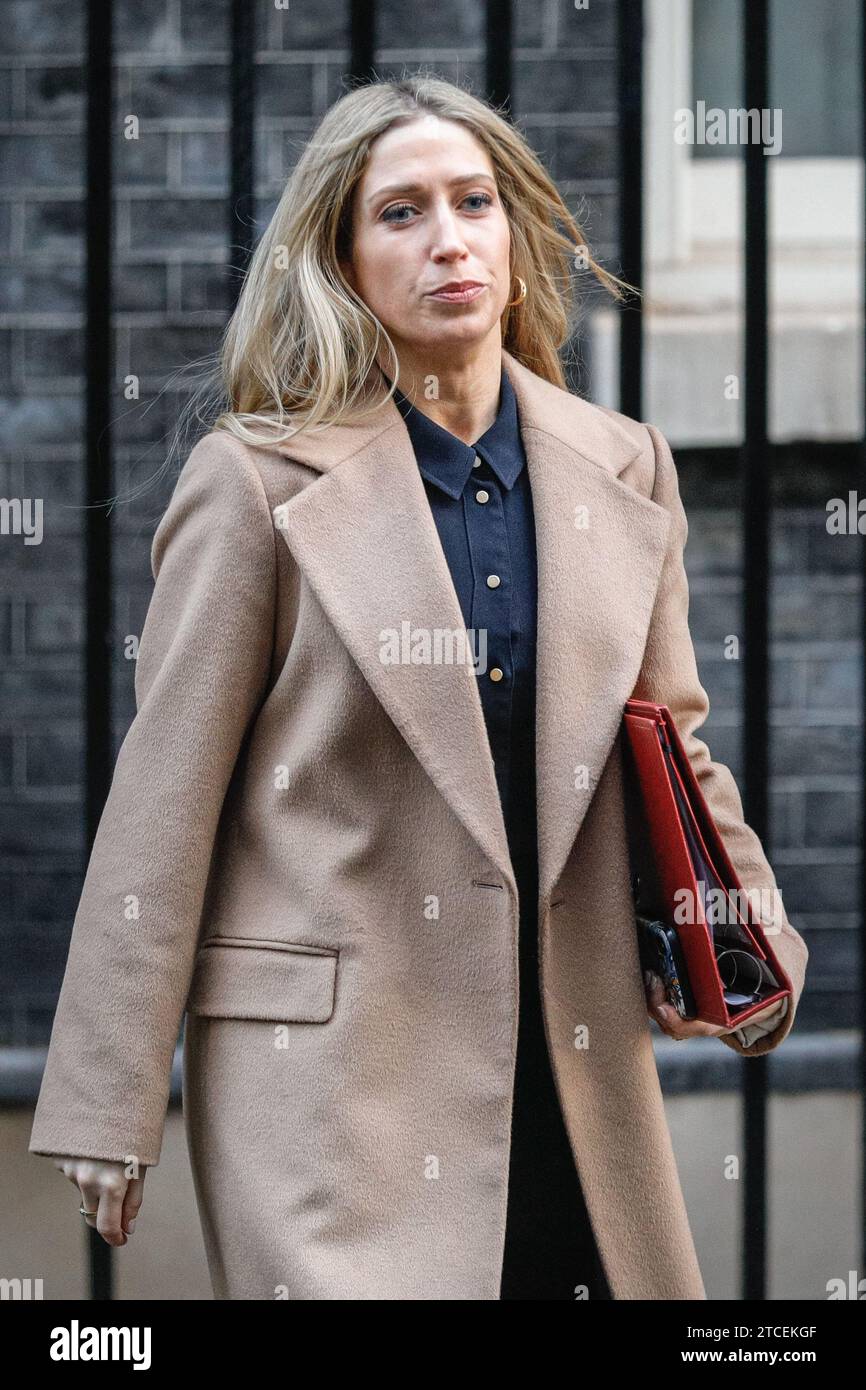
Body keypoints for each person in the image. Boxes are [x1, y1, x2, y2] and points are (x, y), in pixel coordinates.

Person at [29, 75, 807, 1301]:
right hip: (337, 1086)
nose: (447, 237)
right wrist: (106, 1096)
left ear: (511, 233)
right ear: (338, 260)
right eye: (398, 213)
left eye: (473, 201)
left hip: (568, 1064)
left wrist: (742, 934)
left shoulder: (621, 464)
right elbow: (162, 797)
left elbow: (669, 746)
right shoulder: (257, 486)